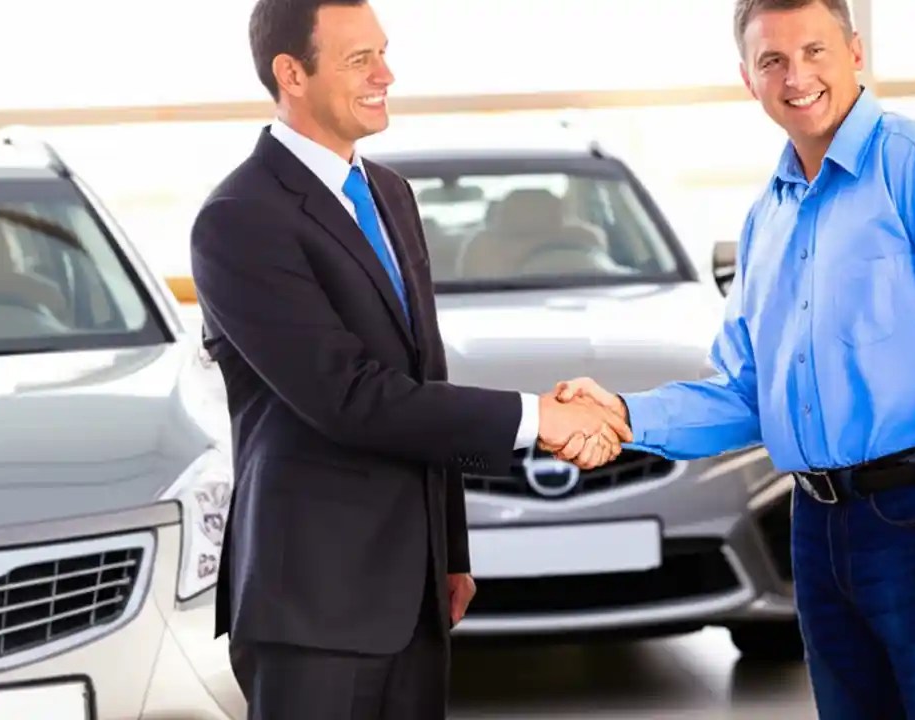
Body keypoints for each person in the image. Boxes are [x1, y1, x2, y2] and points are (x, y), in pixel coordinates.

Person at [554, 0, 915, 717]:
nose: (796, 76)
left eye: (814, 51)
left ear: (855, 53)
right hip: (816, 529)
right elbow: (749, 394)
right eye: (773, 60)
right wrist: (623, 415)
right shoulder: (770, 218)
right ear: (748, 79)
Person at [189, 1, 630, 717]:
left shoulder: (388, 193)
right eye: (359, 60)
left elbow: (424, 378)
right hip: (315, 604)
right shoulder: (239, 218)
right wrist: (539, 416)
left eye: (383, 53)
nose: (386, 75)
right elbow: (350, 397)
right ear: (290, 73)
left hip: (414, 591)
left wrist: (450, 550)